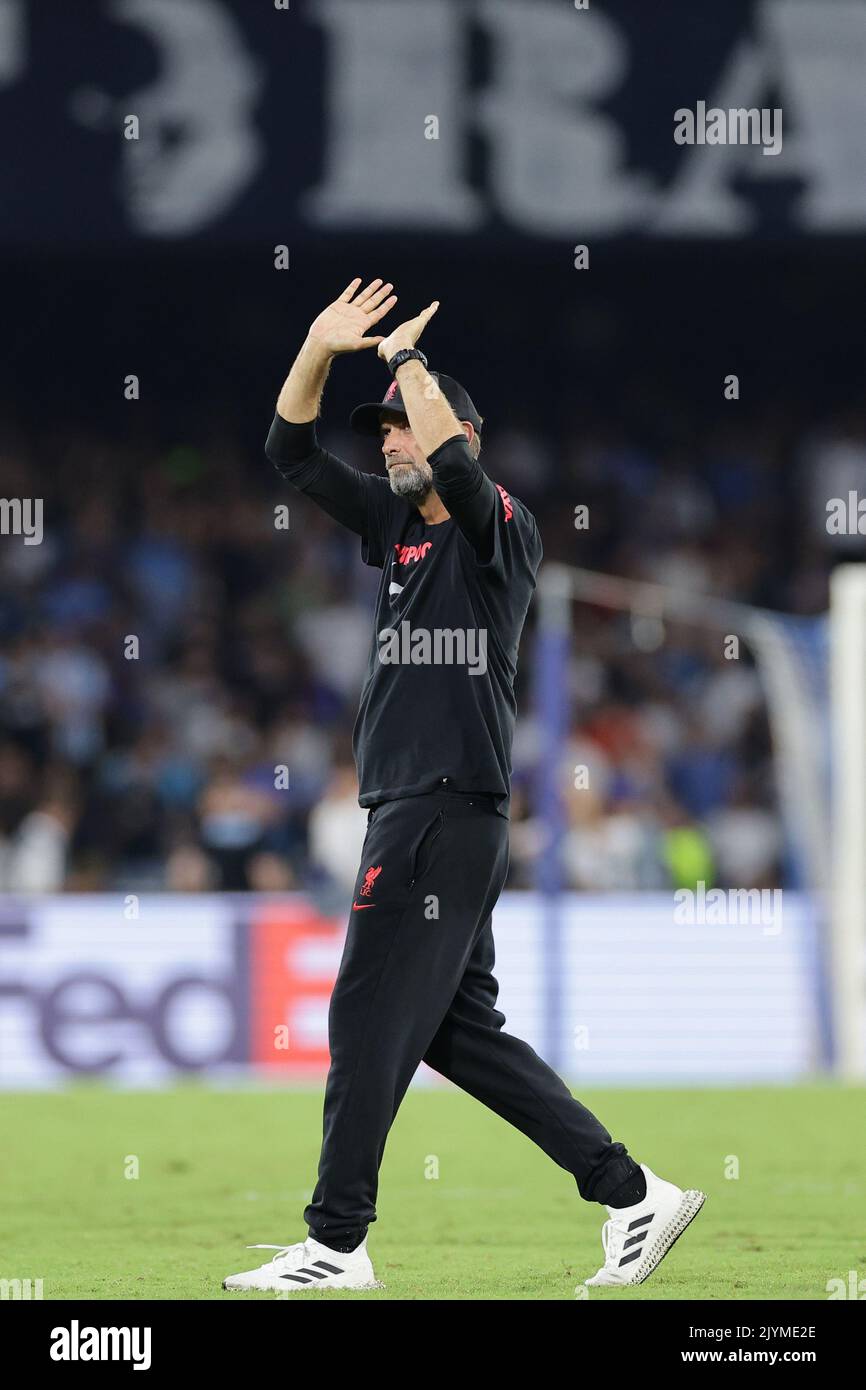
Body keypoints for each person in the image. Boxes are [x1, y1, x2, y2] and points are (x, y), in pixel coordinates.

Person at [224, 279, 705, 1293]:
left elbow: (447, 459)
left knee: (362, 1019)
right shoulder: (393, 532)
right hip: (428, 810)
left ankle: (335, 1242)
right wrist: (318, 346)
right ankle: (631, 1193)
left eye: (400, 428)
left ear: (461, 437)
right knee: (454, 1030)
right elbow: (290, 451)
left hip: (439, 808)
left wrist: (405, 361)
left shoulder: (502, 535)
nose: (388, 441)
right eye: (385, 430)